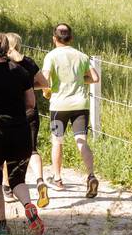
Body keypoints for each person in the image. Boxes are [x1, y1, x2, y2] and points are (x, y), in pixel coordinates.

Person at [0, 32, 44, 235]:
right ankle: (28, 206)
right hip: (20, 129)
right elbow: (31, 103)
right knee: (17, 178)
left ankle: (2, 224)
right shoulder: (21, 72)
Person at [41, 23, 100, 197]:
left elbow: (44, 80)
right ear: (71, 38)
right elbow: (95, 77)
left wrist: (47, 91)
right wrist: (81, 81)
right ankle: (90, 175)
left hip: (59, 105)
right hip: (81, 105)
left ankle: (57, 179)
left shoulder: (51, 56)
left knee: (57, 141)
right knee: (81, 139)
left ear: (54, 39)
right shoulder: (81, 56)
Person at [6, 33, 51, 208]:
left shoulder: (3, 64)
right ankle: (40, 181)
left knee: (7, 151)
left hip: (10, 112)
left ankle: (8, 188)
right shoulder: (29, 62)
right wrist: (31, 86)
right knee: (32, 149)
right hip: (30, 111)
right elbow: (44, 82)